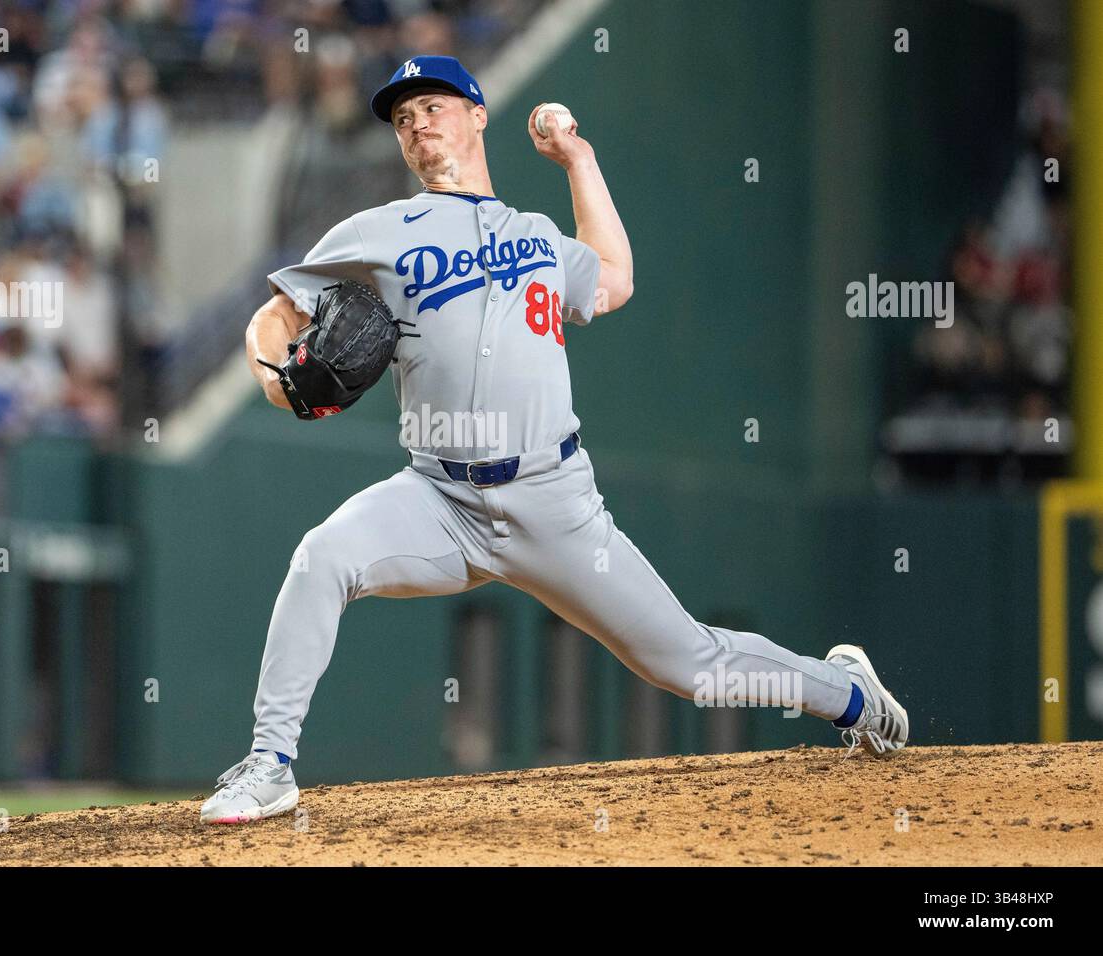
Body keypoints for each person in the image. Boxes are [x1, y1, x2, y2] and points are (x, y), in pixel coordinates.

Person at [201, 56, 908, 825]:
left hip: (554, 501)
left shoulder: (537, 237)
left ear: (477, 114)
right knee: (321, 557)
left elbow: (613, 277)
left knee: (691, 666)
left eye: (432, 106)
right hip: (439, 500)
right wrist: (275, 374)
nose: (416, 124)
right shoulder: (377, 232)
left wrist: (580, 160)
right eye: (403, 119)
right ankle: (270, 763)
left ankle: (847, 693)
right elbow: (276, 312)